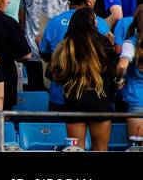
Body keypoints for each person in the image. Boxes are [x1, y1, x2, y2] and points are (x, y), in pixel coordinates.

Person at [49, 8, 117, 150]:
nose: (97, 22)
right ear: (91, 22)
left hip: (74, 100)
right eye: (95, 19)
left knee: (75, 149)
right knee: (100, 148)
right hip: (100, 100)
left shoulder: (65, 45)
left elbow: (53, 74)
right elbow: (113, 71)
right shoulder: (102, 42)